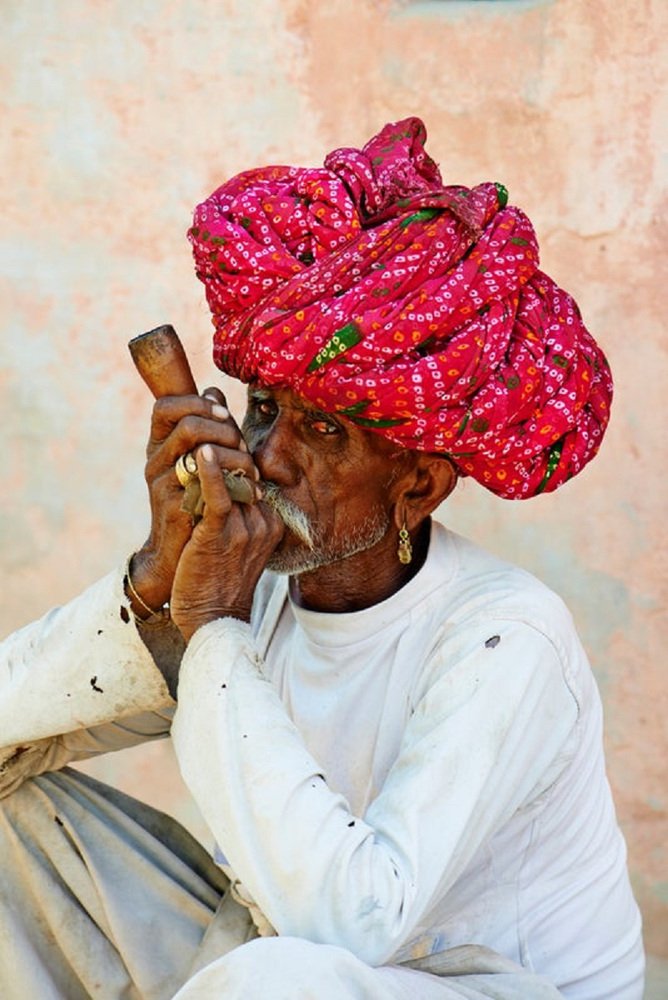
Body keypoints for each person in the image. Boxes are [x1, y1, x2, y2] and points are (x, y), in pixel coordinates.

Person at [0, 118, 643, 999]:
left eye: (324, 431)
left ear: (418, 488)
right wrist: (152, 581)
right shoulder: (252, 590)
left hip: (476, 986)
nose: (267, 458)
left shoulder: (506, 636)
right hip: (265, 955)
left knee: (275, 981)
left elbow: (353, 924)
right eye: (265, 409)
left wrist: (212, 629)